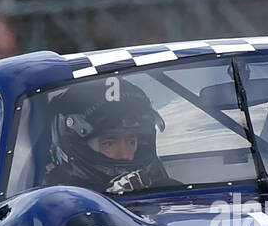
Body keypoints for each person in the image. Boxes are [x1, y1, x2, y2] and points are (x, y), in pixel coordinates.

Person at [40, 78, 173, 194]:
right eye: (109, 143)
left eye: (131, 141)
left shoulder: (156, 180)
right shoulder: (54, 200)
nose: (125, 155)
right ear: (79, 145)